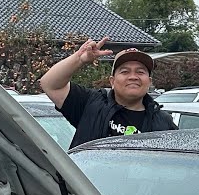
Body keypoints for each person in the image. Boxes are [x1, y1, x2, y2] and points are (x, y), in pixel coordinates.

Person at [39, 37, 176, 148]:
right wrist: (79, 59)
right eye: (125, 71)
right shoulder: (91, 103)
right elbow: (50, 84)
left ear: (149, 81)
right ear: (112, 81)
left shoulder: (163, 123)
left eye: (140, 72)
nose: (133, 77)